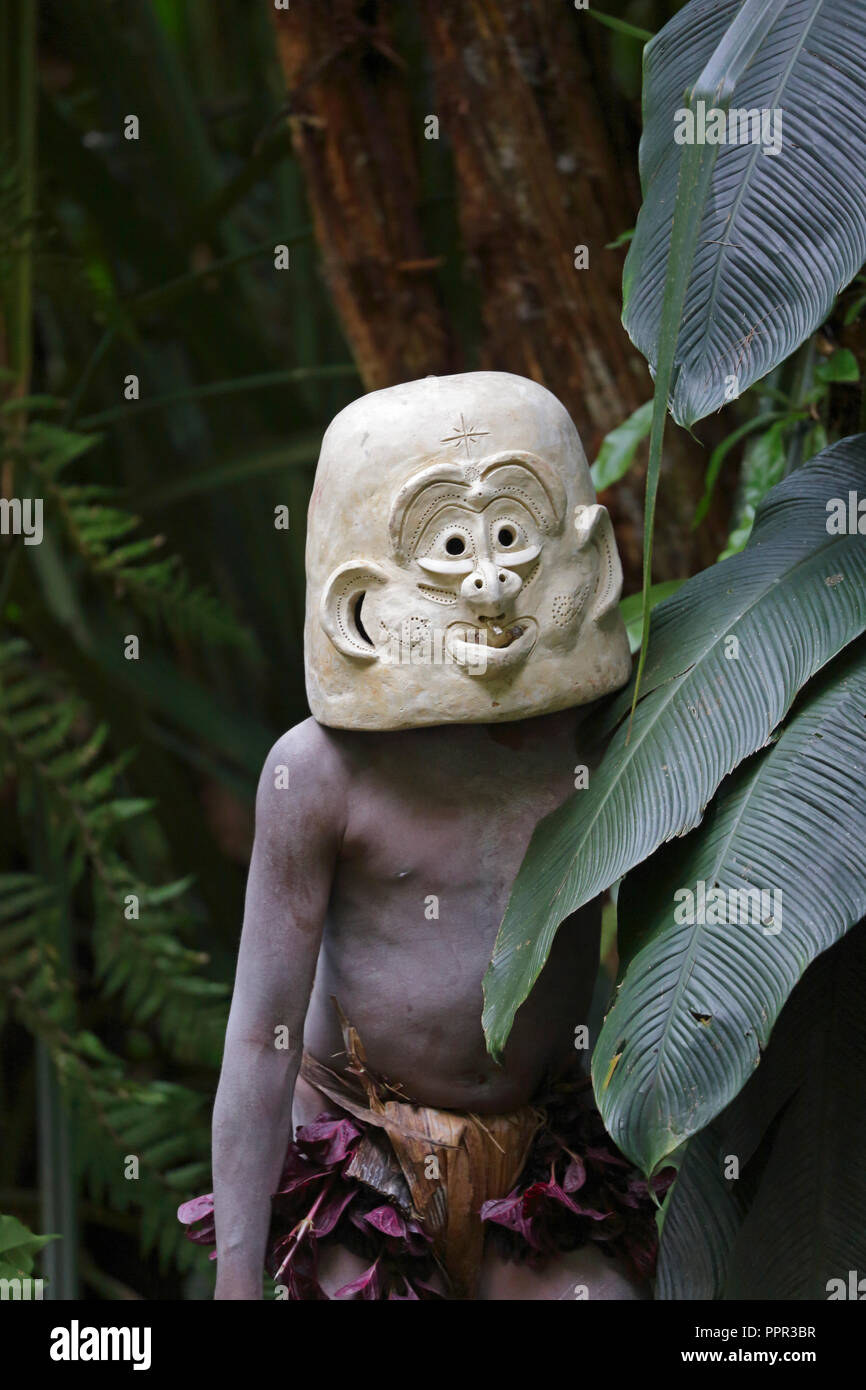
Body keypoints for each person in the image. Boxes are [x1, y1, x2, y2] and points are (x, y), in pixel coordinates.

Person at [179, 372, 665, 1300]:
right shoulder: (318, 773)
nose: (491, 581)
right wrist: (236, 1283)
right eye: (451, 546)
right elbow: (260, 1039)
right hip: (358, 1161)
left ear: (586, 557)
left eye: (512, 537)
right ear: (357, 593)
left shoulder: (616, 733)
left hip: (540, 1158)